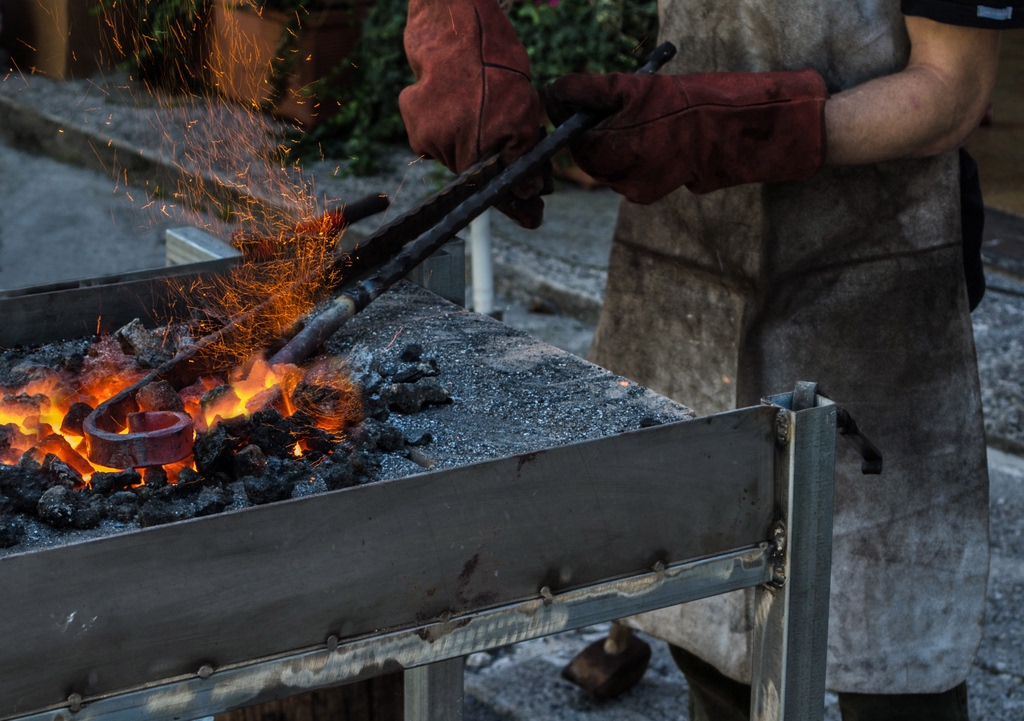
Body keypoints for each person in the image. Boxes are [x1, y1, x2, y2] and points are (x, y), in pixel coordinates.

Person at [398, 0, 1022, 718]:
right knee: (710, 614)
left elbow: (953, 89)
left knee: (896, 642)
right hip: (688, 252)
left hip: (869, 277)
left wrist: (734, 129)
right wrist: (457, 25)